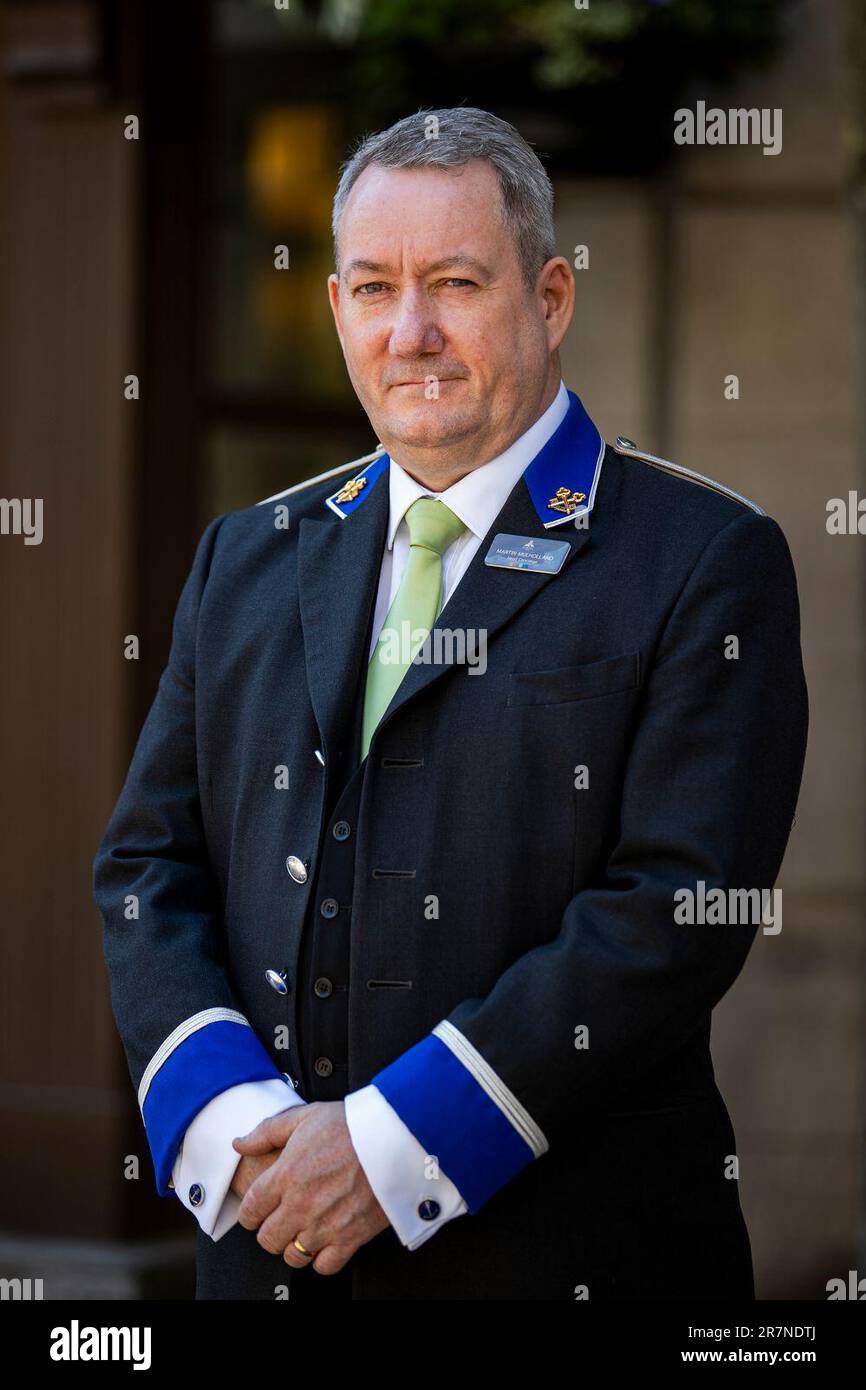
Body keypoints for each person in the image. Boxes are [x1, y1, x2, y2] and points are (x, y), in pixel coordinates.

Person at [94, 106, 808, 1301]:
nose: (410, 330)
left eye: (455, 283)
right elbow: (144, 866)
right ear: (335, 312)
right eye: (373, 289)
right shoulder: (245, 556)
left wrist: (389, 1153)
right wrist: (231, 1128)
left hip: (563, 1261)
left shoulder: (702, 556)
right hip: (264, 1249)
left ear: (550, 298)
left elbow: (672, 908)